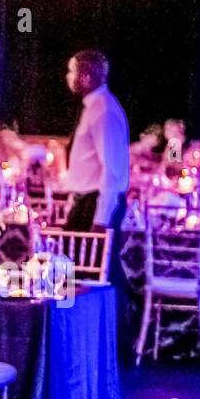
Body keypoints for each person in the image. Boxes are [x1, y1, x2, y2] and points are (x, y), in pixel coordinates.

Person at [62, 49, 130, 264]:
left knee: (91, 274)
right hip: (85, 202)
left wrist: (101, 219)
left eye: (71, 72)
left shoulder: (104, 110)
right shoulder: (92, 107)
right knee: (74, 271)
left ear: (86, 76)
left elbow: (112, 168)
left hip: (95, 204)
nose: (68, 77)